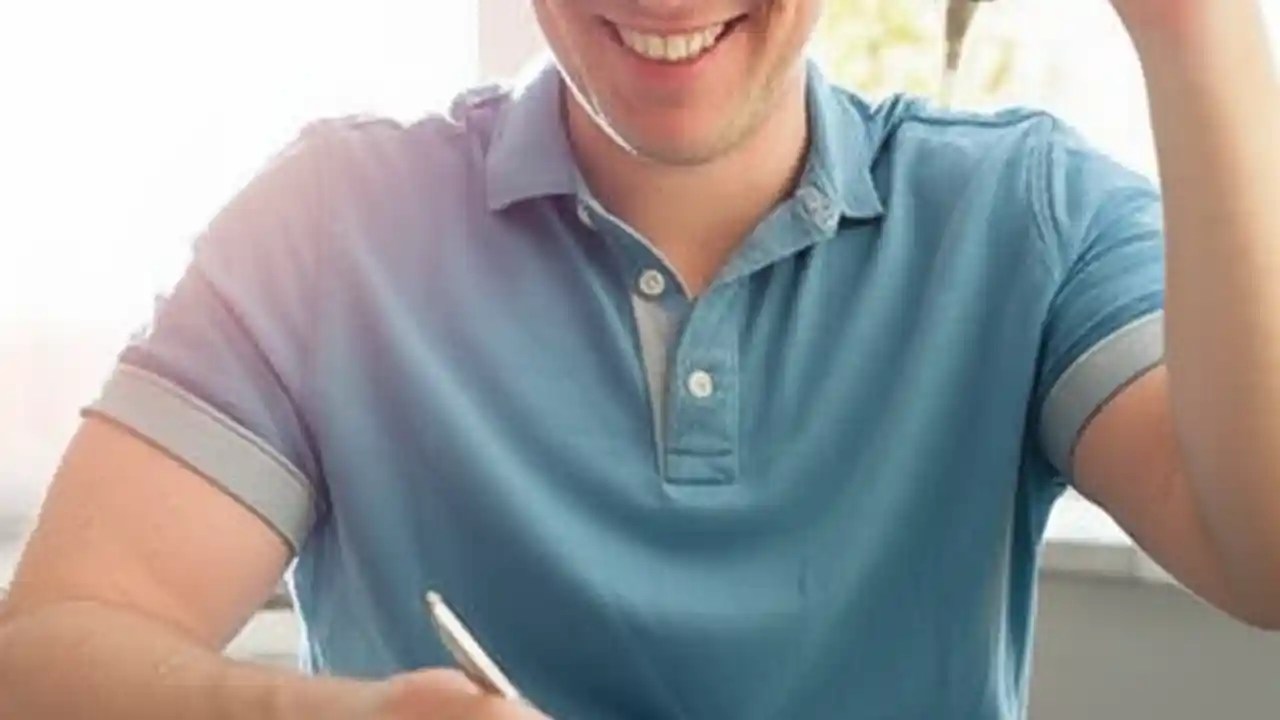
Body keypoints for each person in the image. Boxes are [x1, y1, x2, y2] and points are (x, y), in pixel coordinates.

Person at [1, 0, 1278, 717]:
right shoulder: (329, 228)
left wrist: (1195, 29)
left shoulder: (1023, 215)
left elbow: (1262, 557)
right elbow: (46, 652)